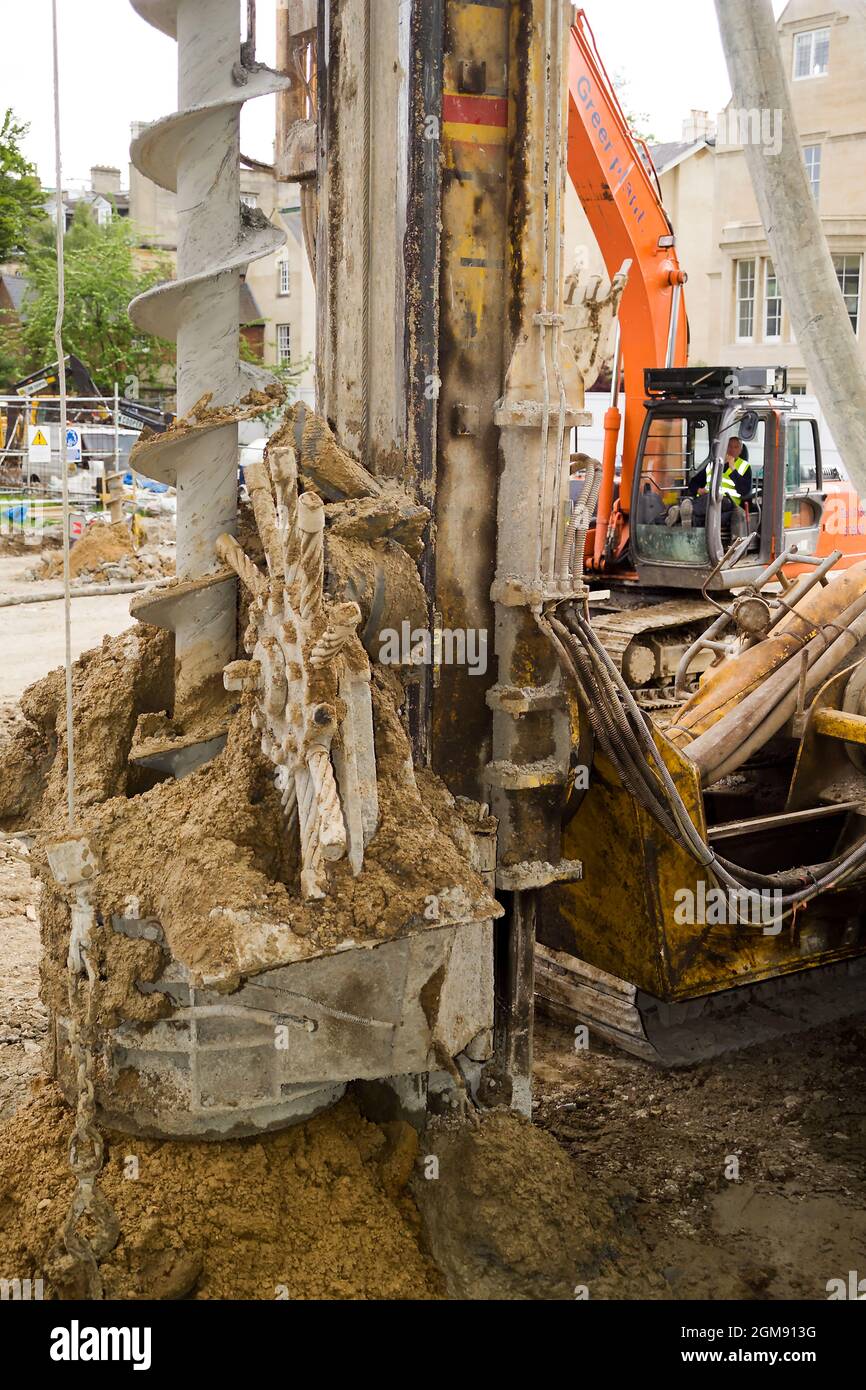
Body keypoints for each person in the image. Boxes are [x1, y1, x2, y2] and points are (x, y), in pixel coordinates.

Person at [665, 437, 752, 528]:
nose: (732, 450)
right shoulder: (712, 465)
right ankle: (687, 517)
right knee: (704, 513)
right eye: (729, 446)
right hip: (708, 500)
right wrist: (698, 490)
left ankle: (680, 511)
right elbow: (693, 483)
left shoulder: (745, 467)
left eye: (736, 447)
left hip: (729, 502)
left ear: (740, 450)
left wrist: (733, 469)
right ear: (724, 448)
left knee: (710, 500)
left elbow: (744, 490)